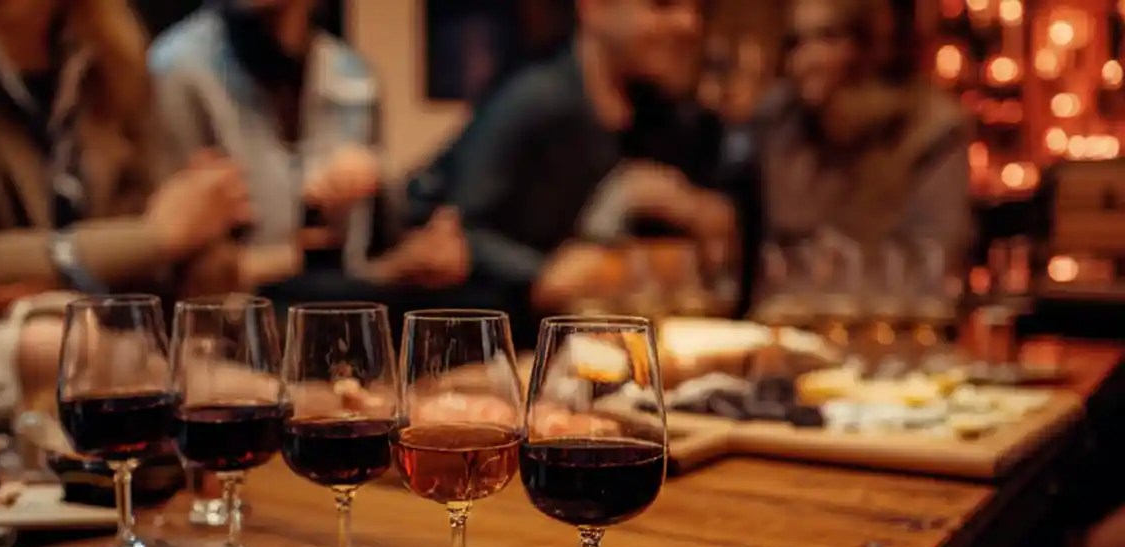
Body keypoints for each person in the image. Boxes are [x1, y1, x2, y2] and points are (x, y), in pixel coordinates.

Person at [0, 0, 257, 468]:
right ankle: (284, 398)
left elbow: (138, 266)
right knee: (65, 343)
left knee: (173, 319)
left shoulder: (103, 42)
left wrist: (200, 231)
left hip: (64, 337)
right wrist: (153, 236)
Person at [429, 0, 733, 315]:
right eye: (661, 5)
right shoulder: (532, 100)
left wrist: (694, 212)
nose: (689, 24)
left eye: (698, 9)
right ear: (594, 7)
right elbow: (450, 229)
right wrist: (542, 275)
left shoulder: (667, 117)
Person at [151, 0, 469, 292]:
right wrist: (289, 259)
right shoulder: (176, 71)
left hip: (333, 307)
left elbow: (364, 257)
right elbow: (171, 268)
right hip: (232, 321)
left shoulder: (352, 76)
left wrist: (409, 258)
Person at [749, 0, 970, 300]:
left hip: (894, 328)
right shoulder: (779, 122)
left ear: (870, 44)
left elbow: (934, 266)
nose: (807, 59)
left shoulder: (932, 130)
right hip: (789, 327)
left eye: (828, 37)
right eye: (796, 43)